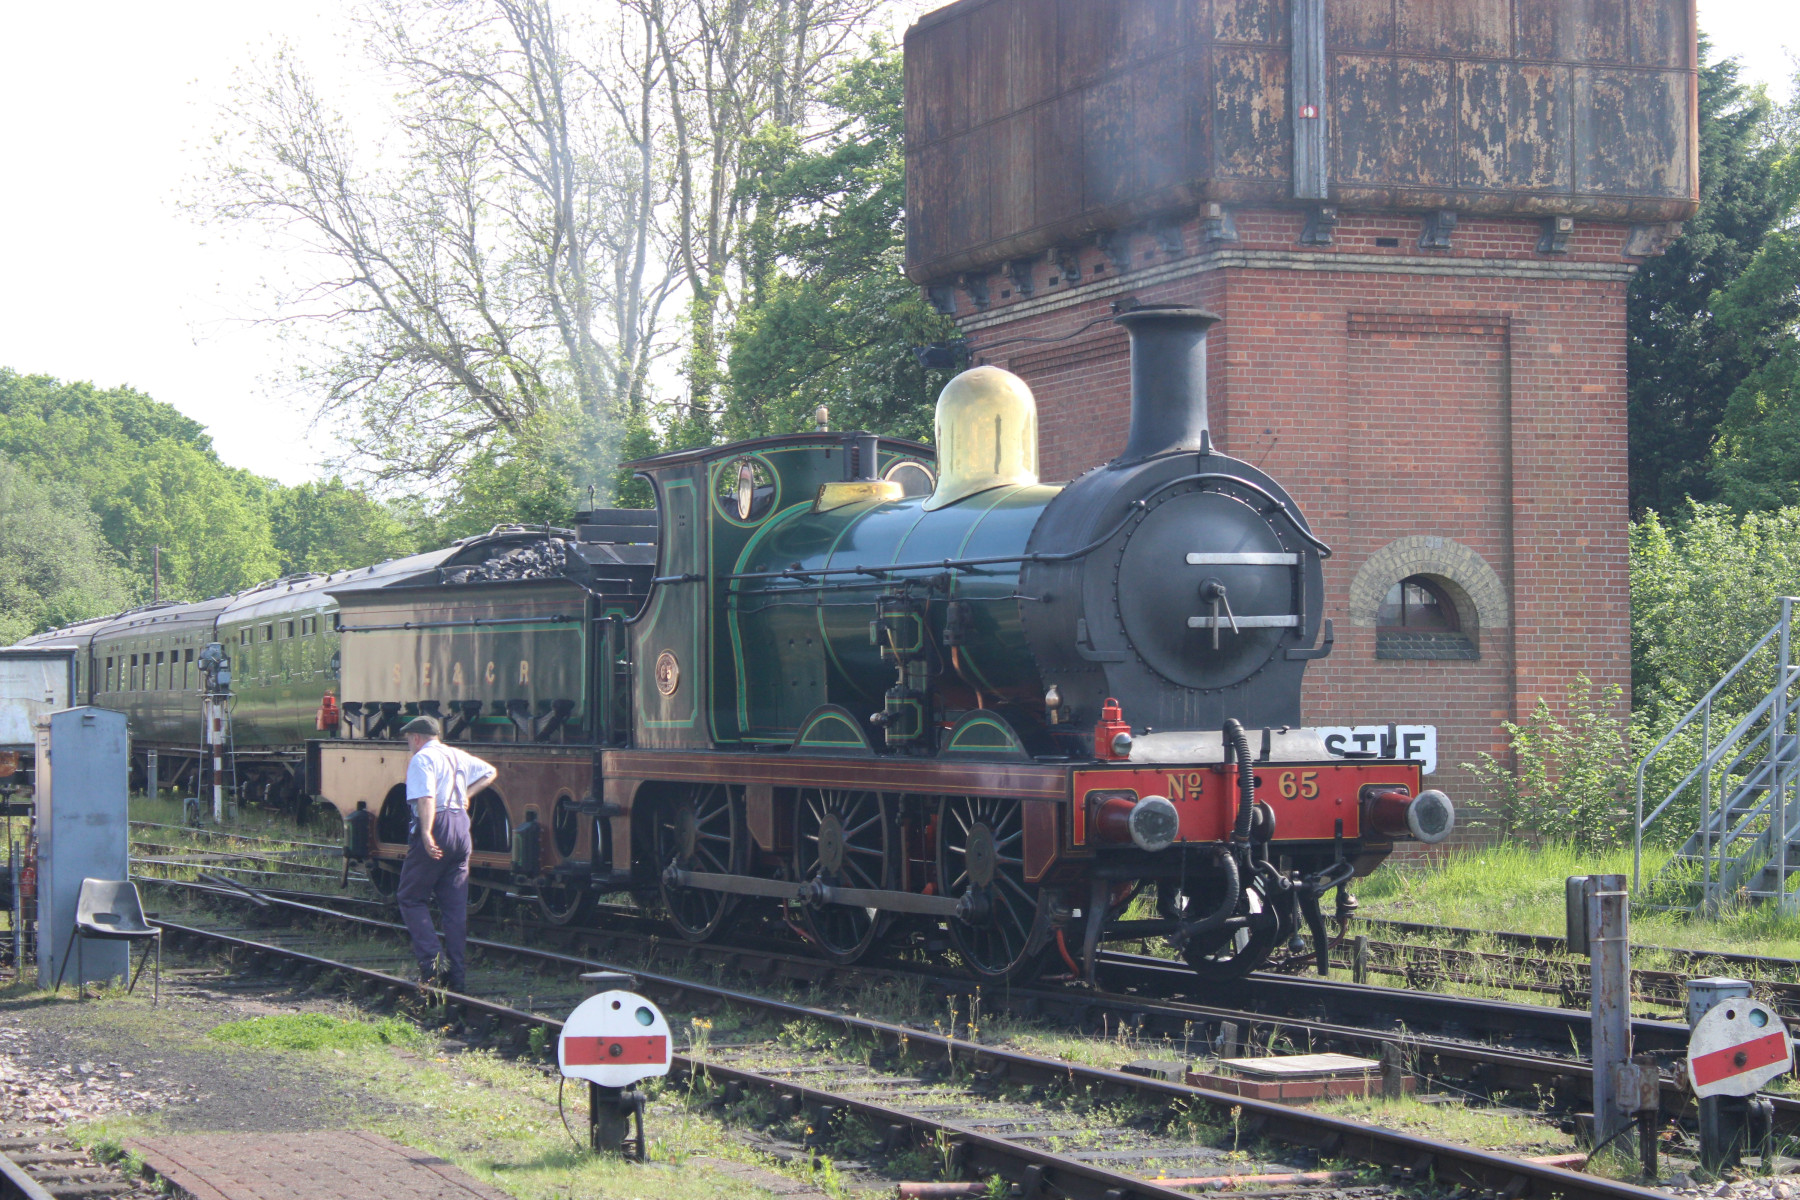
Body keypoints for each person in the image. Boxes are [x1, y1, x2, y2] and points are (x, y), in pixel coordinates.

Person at [396, 715, 495, 992]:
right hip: (461, 827)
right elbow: (489, 772)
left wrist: (426, 832)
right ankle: (458, 978)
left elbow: (426, 797)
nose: (408, 744)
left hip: (437, 823)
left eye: (408, 739)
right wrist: (467, 794)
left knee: (410, 896)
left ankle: (432, 965)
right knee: (454, 907)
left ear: (416, 737)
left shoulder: (422, 759)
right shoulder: (455, 755)